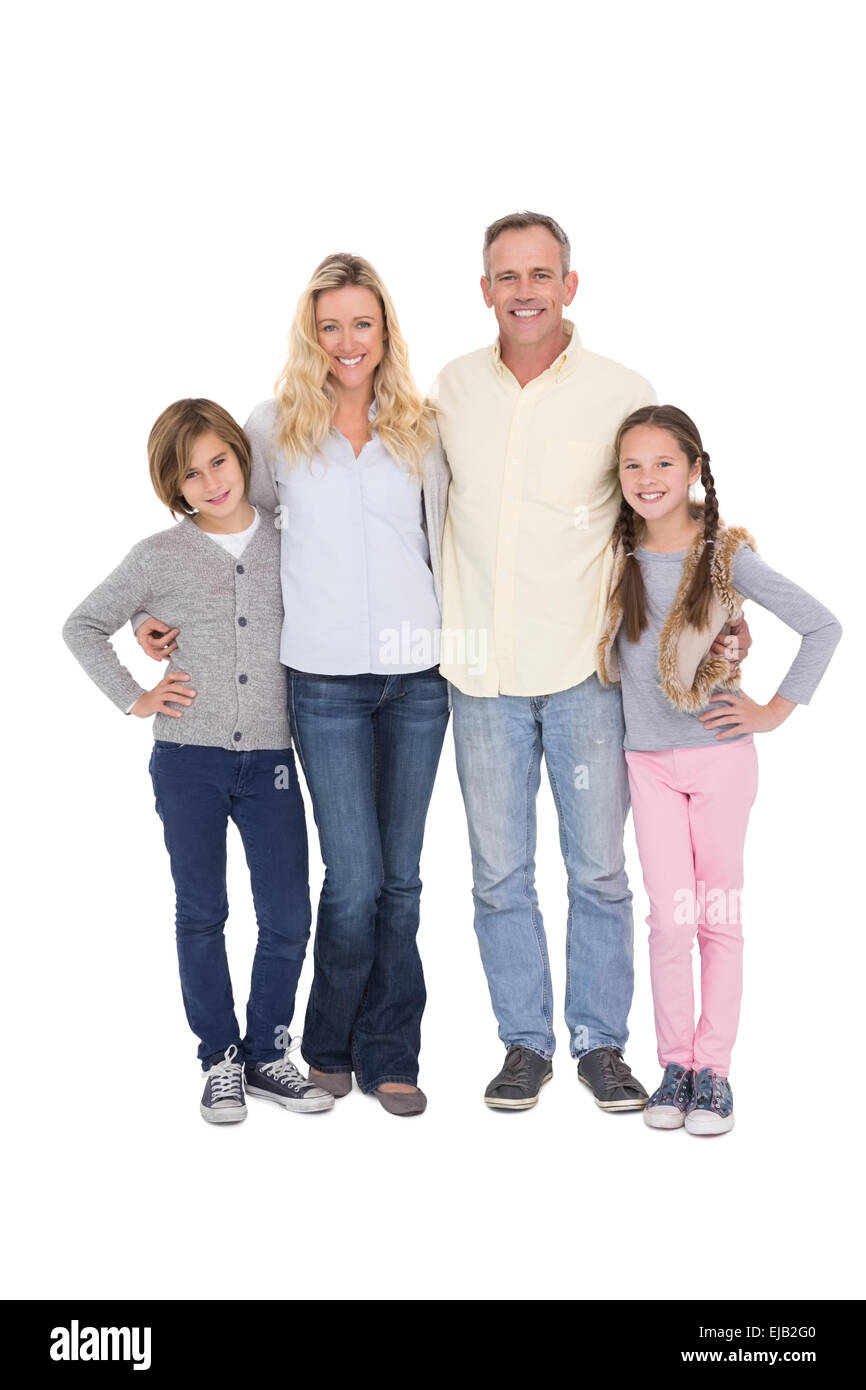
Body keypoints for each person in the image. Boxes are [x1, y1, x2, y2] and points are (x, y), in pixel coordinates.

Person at [431, 210, 751, 1112]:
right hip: (479, 675)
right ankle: (525, 1042)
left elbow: (666, 512)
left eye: (540, 274)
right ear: (484, 289)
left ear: (570, 285)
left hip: (586, 672)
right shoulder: (450, 389)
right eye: (506, 276)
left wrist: (722, 611)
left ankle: (601, 1043)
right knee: (498, 875)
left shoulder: (621, 388)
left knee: (600, 872)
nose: (523, 290)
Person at [135, 257, 450, 1115]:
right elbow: (233, 536)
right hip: (322, 683)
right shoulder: (274, 427)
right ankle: (322, 1043)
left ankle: (391, 1051)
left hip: (420, 678)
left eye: (363, 323)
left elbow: (448, 541)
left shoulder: (422, 425)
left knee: (404, 877)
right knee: (352, 877)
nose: (348, 342)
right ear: (312, 335)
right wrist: (153, 615)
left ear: (386, 330)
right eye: (331, 325)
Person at [62, 399, 333, 1123]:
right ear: (172, 489)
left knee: (286, 914)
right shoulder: (159, 555)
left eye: (220, 461)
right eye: (191, 475)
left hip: (273, 758)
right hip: (189, 760)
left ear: (243, 456)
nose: (212, 482)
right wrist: (136, 696)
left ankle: (268, 1048)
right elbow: (83, 624)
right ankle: (219, 1058)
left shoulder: (287, 537)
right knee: (202, 911)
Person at [597, 404, 841, 1134]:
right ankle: (674, 1065)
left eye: (665, 463)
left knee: (717, 916)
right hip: (647, 762)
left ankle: (715, 1072)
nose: (648, 478)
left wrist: (770, 711)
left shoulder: (724, 558)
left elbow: (823, 626)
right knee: (669, 918)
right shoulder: (616, 556)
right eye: (633, 465)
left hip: (719, 758)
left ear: (696, 470)